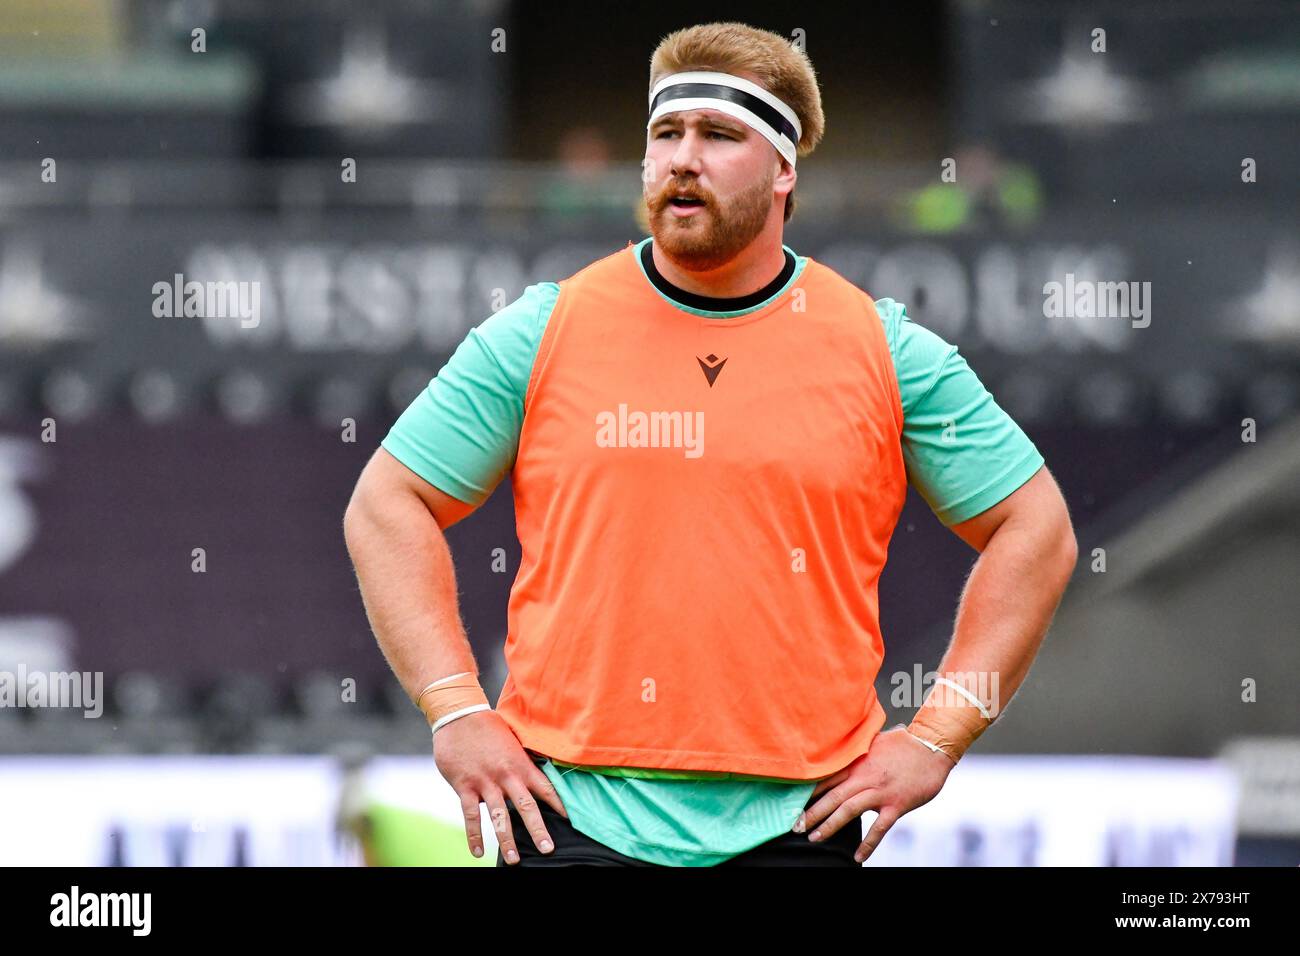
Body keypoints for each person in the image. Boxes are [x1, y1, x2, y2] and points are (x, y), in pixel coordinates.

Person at [342, 21, 1078, 868]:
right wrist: (457, 710)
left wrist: (938, 736)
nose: (682, 158)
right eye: (666, 134)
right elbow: (386, 502)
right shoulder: (544, 328)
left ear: (784, 168)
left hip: (802, 826)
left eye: (720, 135)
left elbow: (1038, 530)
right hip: (570, 819)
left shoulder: (885, 349)